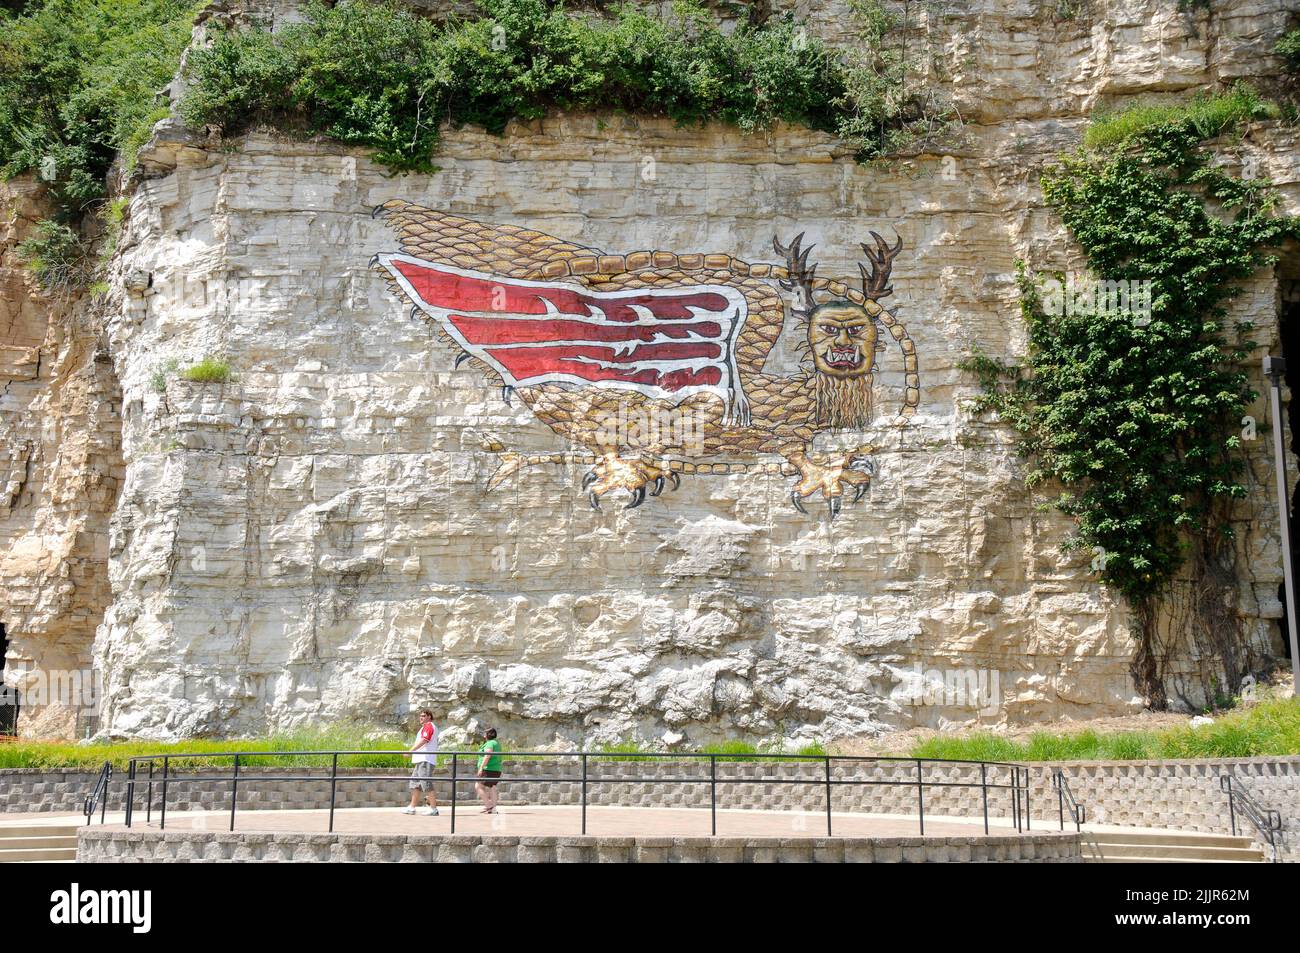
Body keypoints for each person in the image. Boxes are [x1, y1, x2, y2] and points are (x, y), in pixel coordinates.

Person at [403, 709, 440, 816]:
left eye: (423, 716)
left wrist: (410, 751)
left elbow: (425, 740)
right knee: (415, 784)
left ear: (429, 717)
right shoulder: (425, 727)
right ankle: (412, 807)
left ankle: (433, 808)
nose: (421, 717)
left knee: (426, 783)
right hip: (420, 760)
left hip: (425, 759)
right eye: (420, 716)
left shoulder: (429, 726)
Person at [475, 727, 502, 814]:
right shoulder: (496, 743)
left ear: (487, 735)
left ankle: (489, 805)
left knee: (478, 786)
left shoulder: (490, 743)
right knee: (492, 787)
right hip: (496, 769)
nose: (483, 734)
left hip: (488, 769)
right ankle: (493, 808)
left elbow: (487, 755)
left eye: (485, 733)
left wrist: (481, 767)